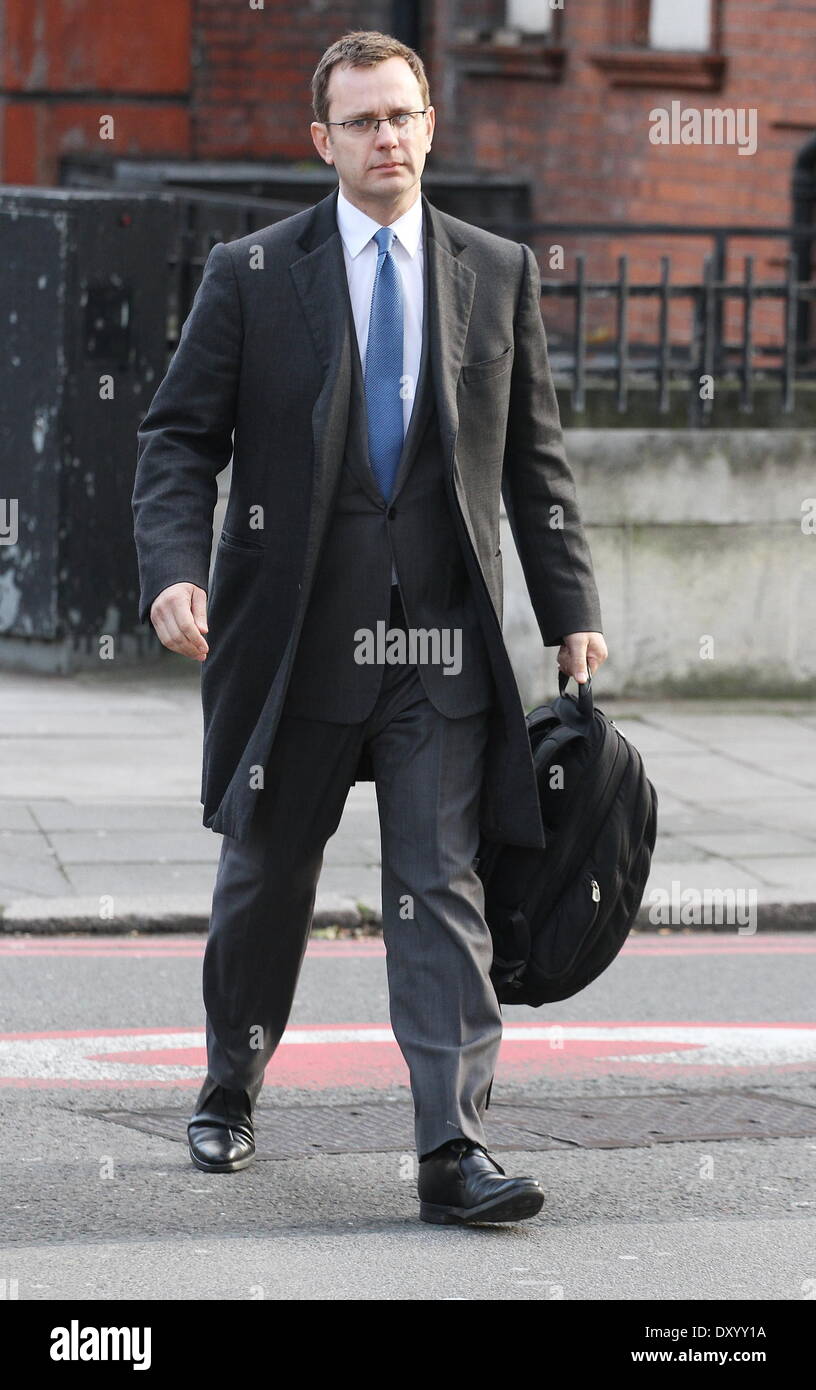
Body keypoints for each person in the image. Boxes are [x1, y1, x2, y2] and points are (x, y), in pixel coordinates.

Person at [131, 29, 608, 1226]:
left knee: (438, 885)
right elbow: (179, 435)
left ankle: (452, 1145)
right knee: (267, 876)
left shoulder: (495, 269)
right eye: (361, 121)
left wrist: (571, 607)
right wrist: (173, 570)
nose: (385, 138)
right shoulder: (250, 272)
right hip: (293, 642)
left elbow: (532, 458)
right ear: (322, 142)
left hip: (438, 646)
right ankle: (231, 1087)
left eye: (402, 116)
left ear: (431, 125)